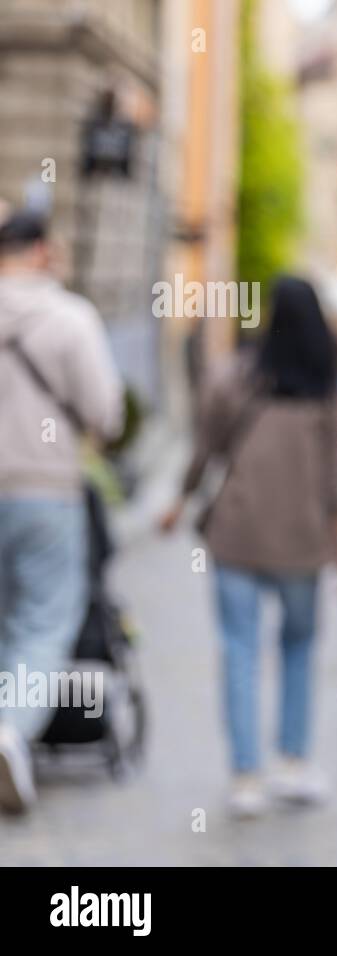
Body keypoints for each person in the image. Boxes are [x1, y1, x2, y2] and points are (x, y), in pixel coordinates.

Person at [159, 275, 337, 819]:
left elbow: (205, 450)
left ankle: (246, 776)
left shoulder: (236, 376)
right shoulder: (324, 384)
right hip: (302, 538)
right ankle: (292, 764)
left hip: (237, 533)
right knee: (296, 649)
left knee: (240, 651)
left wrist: (179, 501)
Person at [0, 210, 123, 814]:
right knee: (43, 620)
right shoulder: (70, 317)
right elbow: (106, 412)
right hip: (46, 489)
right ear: (44, 250)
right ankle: (10, 729)